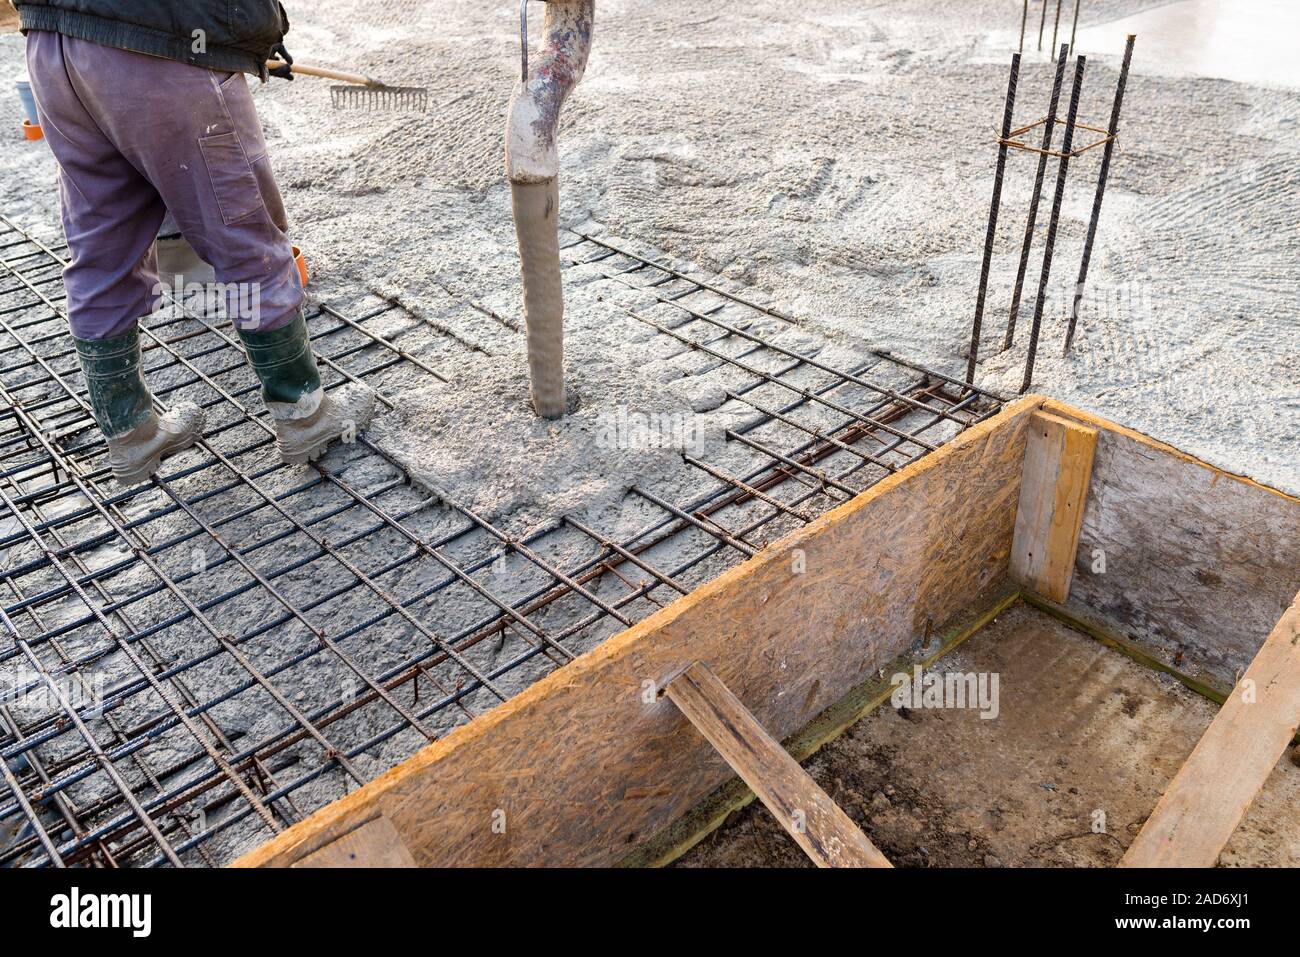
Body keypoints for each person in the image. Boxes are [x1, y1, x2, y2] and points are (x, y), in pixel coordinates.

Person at [12, 0, 373, 484]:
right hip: (159, 46)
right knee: (243, 233)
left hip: (54, 48)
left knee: (100, 246)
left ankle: (132, 434)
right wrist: (251, 36)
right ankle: (305, 416)